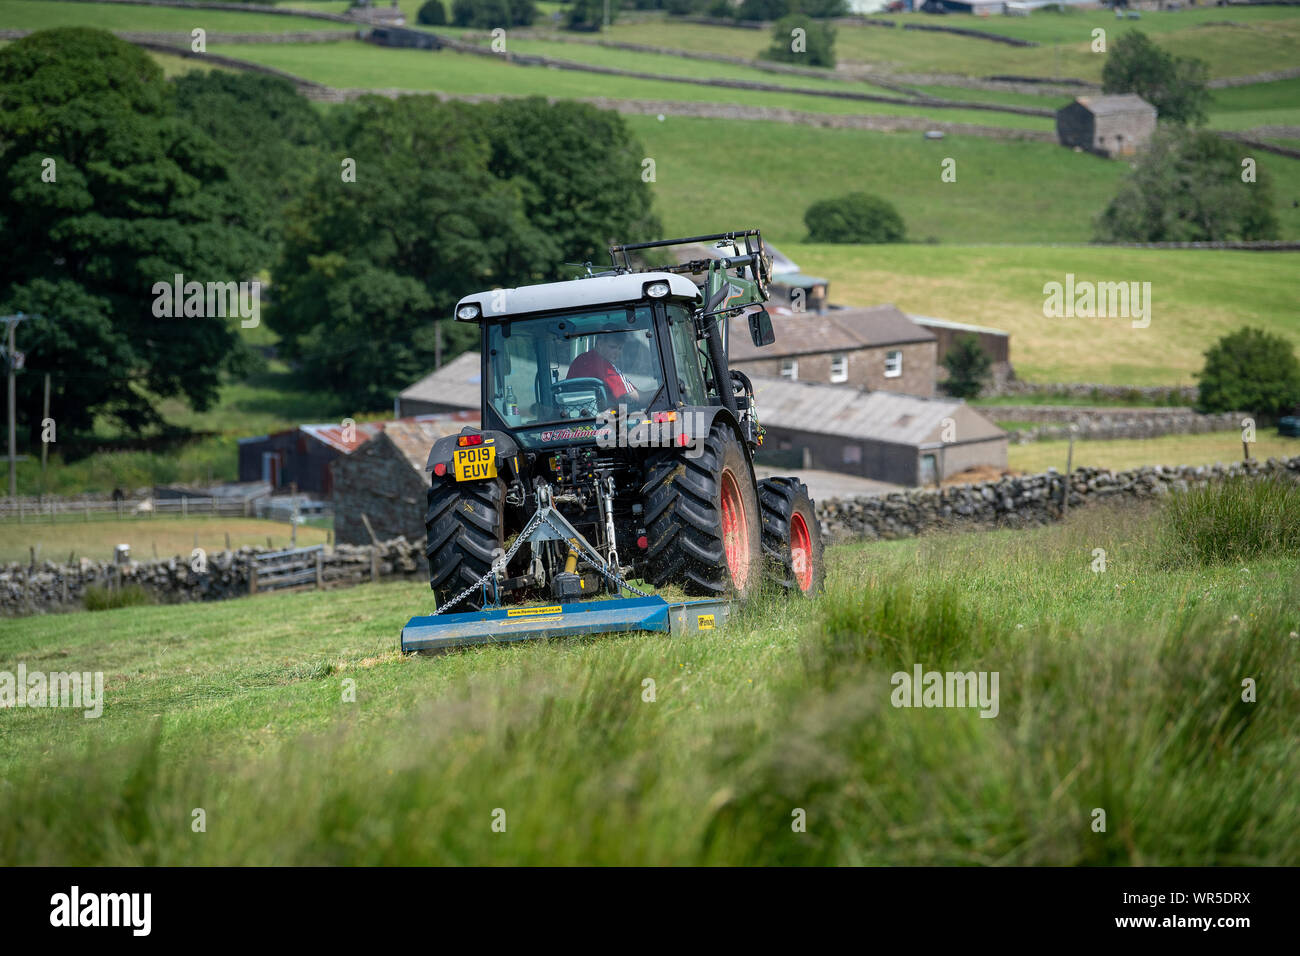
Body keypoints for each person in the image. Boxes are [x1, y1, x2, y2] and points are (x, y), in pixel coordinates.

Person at [566, 332, 642, 406]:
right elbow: (633, 396)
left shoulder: (581, 359)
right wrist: (653, 396)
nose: (617, 352)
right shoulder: (605, 366)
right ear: (600, 344)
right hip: (595, 415)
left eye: (620, 348)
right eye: (612, 347)